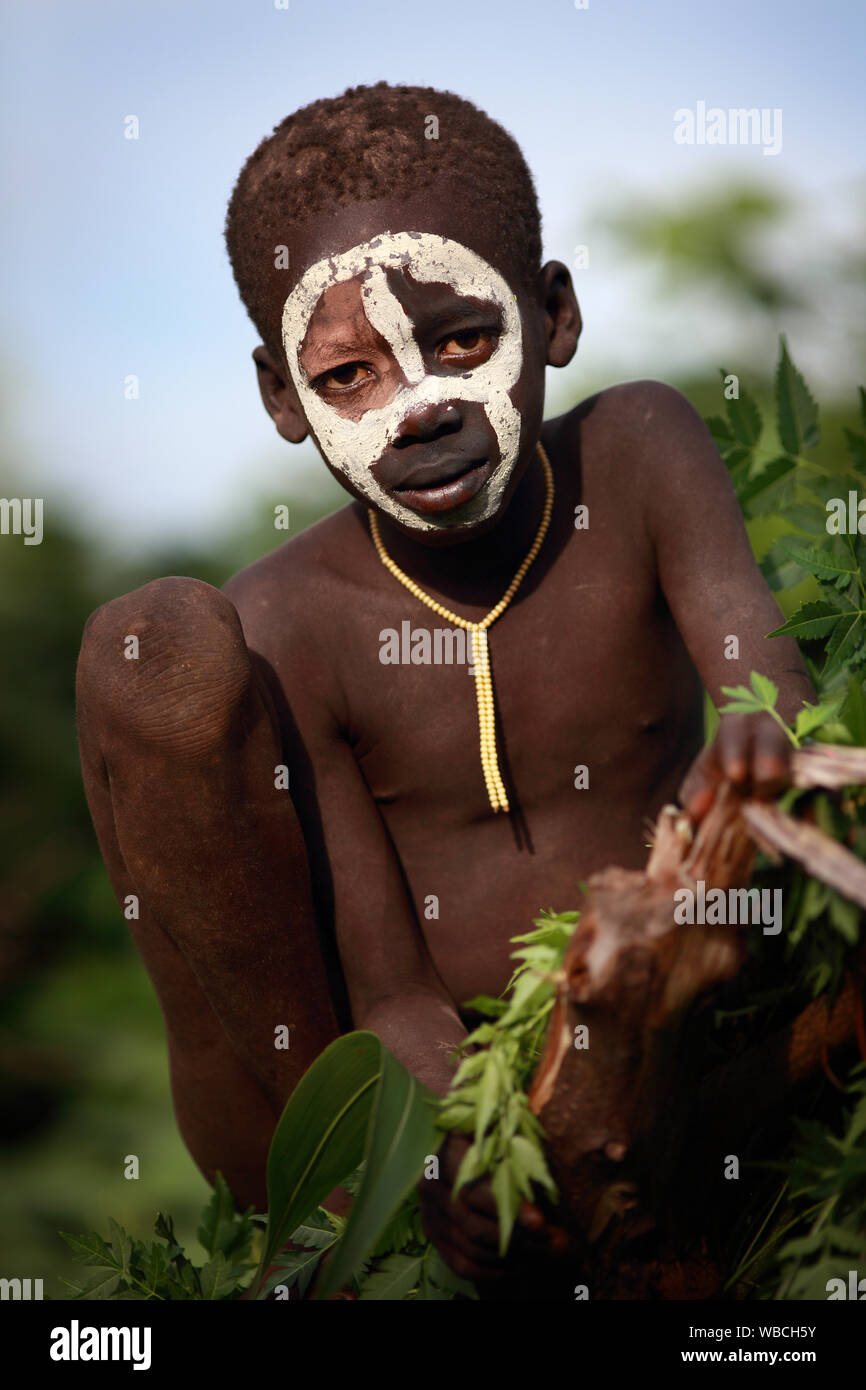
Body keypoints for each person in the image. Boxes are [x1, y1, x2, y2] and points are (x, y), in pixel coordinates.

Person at [76, 82, 813, 1287]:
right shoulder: (286, 623)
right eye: (349, 376)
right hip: (473, 1070)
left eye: (462, 340)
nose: (418, 409)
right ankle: (337, 1204)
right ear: (282, 399)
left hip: (700, 1005)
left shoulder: (635, 454)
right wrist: (446, 1148)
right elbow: (395, 992)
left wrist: (756, 751)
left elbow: (761, 685)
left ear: (553, 312)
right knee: (152, 648)